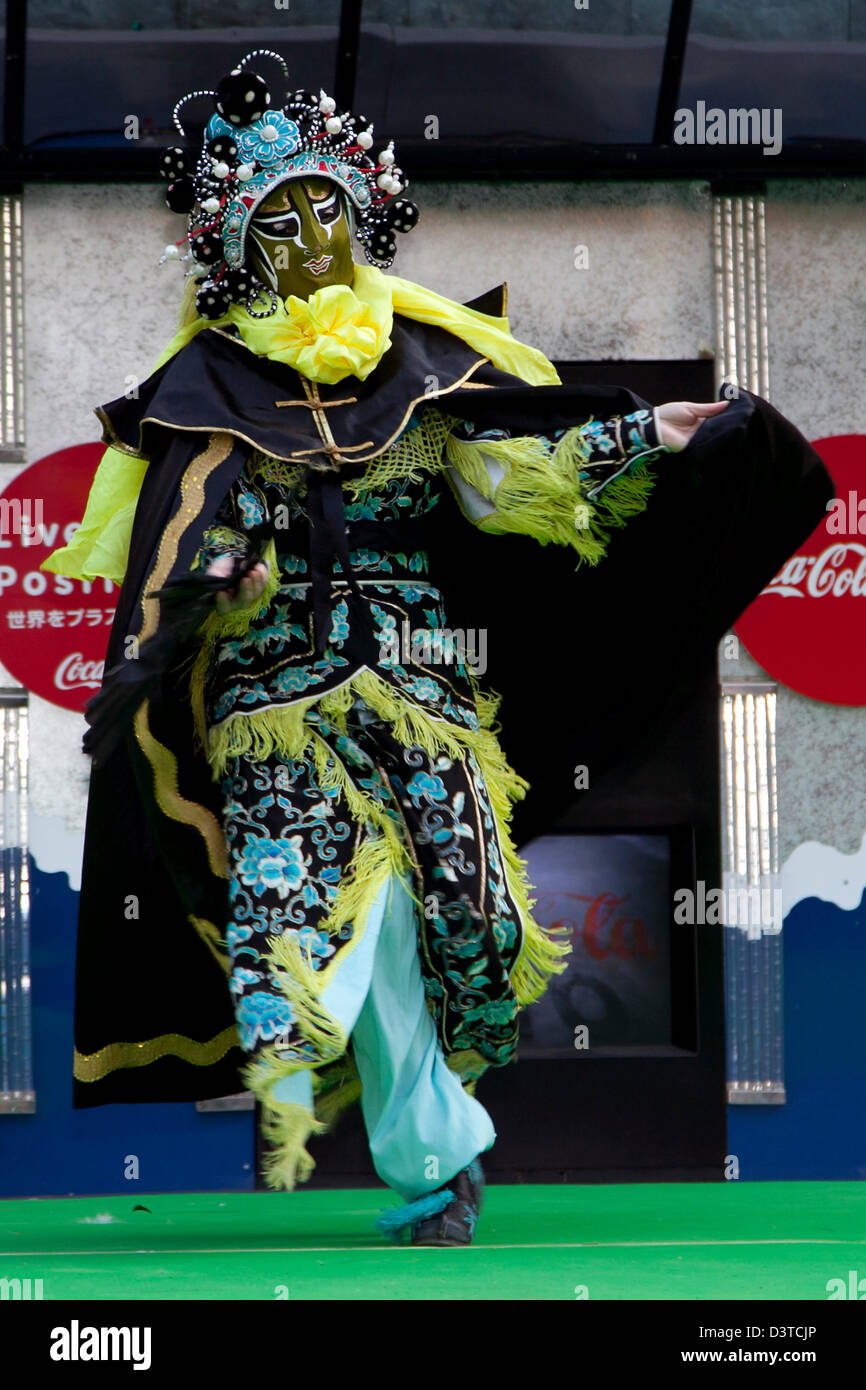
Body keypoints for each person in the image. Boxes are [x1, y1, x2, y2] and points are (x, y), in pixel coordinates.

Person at [43, 49, 832, 1246]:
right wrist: (227, 578)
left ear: (359, 219)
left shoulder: (425, 364)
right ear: (240, 246)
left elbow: (507, 477)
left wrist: (649, 434)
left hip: (419, 689)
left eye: (325, 212)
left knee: (456, 920)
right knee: (305, 921)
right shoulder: (206, 388)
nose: (308, 240)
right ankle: (350, 1077)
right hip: (277, 703)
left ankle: (432, 1153)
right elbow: (186, 544)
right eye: (280, 220)